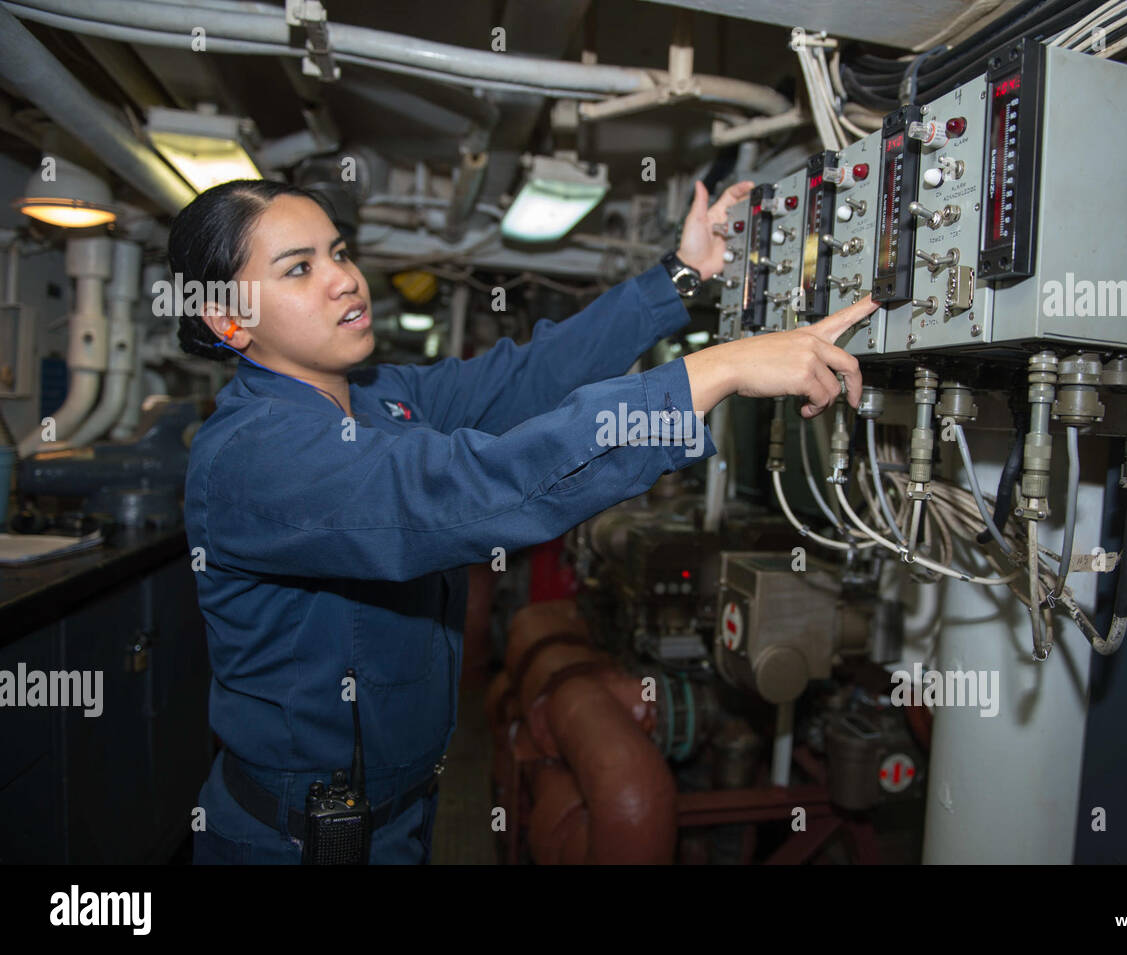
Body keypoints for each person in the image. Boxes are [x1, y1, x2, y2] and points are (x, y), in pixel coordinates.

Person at [177, 177, 876, 864]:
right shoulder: (254, 458)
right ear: (229, 319)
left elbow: (527, 378)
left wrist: (681, 275)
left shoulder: (380, 397)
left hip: (399, 819)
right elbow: (476, 488)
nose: (344, 279)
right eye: (299, 268)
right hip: (297, 842)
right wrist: (713, 372)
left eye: (339, 251)